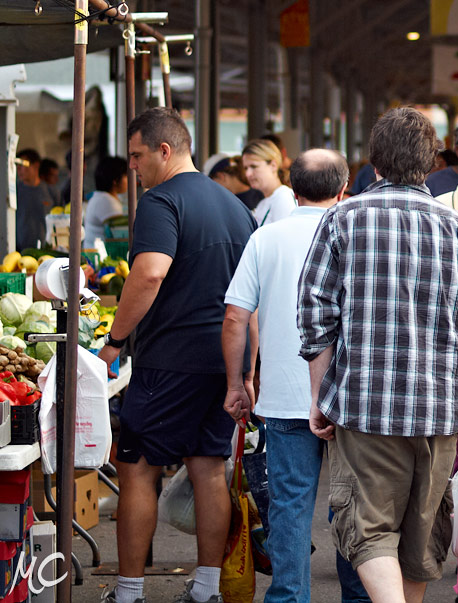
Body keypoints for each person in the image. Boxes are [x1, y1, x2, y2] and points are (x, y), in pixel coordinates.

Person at [298, 107, 458, 603]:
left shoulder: (342, 219)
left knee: (368, 530)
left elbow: (315, 313)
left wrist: (321, 394)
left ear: (374, 162)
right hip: (440, 410)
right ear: (431, 163)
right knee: (421, 537)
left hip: (365, 403)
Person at [98, 108, 257, 603]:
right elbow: (249, 299)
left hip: (170, 358)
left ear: (165, 151)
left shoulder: (161, 201)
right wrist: (247, 370)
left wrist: (115, 341)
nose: (134, 167)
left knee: (137, 467)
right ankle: (207, 587)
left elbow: (148, 273)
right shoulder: (235, 207)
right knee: (209, 466)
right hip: (223, 359)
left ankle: (127, 593)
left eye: (138, 155)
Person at [222, 149, 350, 603]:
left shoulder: (266, 237)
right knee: (351, 505)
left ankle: (290, 596)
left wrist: (238, 383)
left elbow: (236, 316)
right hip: (348, 399)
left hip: (282, 397)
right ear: (343, 189)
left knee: (291, 506)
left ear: (291, 190)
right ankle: (357, 596)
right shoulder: (354, 234)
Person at [242, 138, 296, 226]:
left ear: (273, 165)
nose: (248, 174)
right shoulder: (265, 201)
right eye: (246, 168)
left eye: (254, 166)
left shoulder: (283, 198)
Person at [84, 156, 127, 247]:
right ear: (115, 180)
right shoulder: (107, 202)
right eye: (126, 176)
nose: (129, 180)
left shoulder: (99, 197)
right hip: (97, 257)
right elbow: (119, 234)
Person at [15, 148, 49, 249]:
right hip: (18, 252)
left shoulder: (51, 193)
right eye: (17, 166)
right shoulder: (13, 192)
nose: (18, 170)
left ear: (36, 165)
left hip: (46, 252)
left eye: (22, 165)